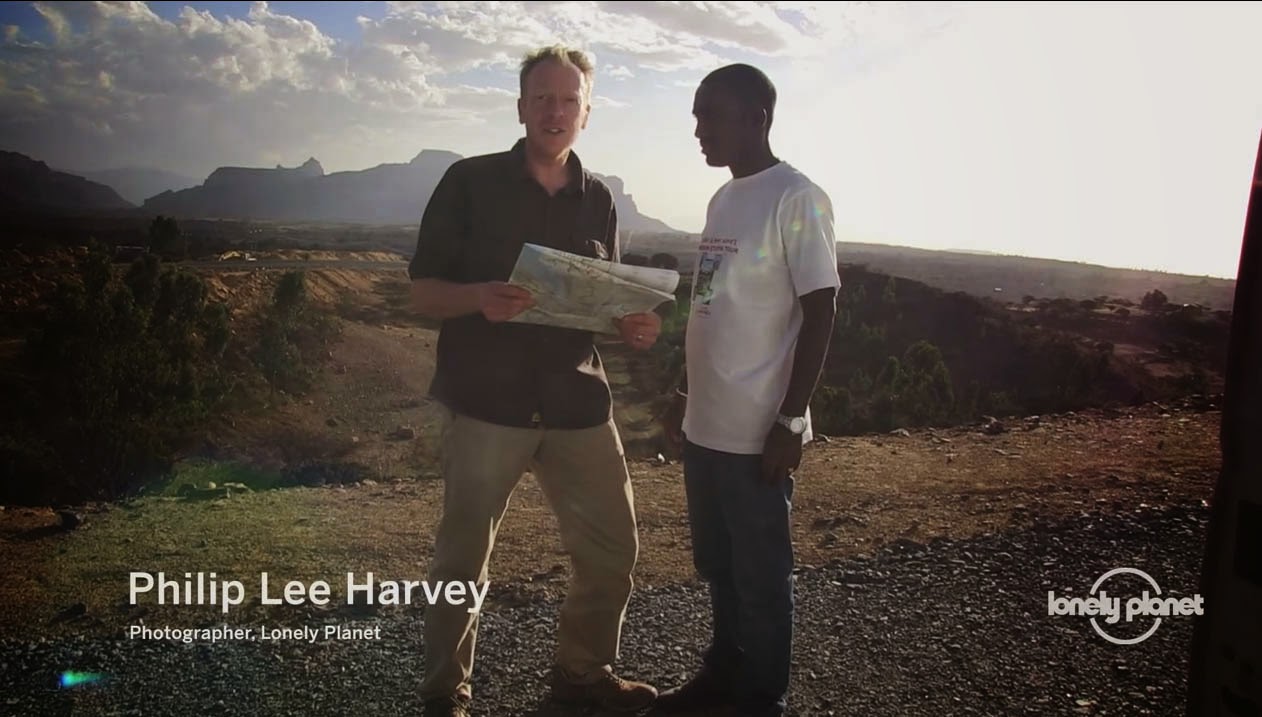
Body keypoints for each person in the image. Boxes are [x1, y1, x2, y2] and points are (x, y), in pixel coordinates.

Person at [408, 45, 662, 717]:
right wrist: (477, 299)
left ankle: (583, 675)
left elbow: (601, 301)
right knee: (463, 557)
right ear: (521, 107)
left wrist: (629, 327)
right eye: (542, 98)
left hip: (578, 401)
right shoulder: (469, 182)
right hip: (488, 401)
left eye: (568, 100)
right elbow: (422, 292)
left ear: (587, 112)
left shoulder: (600, 197)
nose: (555, 111)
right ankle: (444, 695)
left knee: (613, 548)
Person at [657, 64, 840, 717]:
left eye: (711, 114)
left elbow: (822, 308)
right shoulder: (722, 200)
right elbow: (708, 301)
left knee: (761, 574)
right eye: (696, 115)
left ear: (756, 119)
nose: (699, 130)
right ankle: (724, 673)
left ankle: (763, 699)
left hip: (757, 429)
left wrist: (791, 419)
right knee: (718, 562)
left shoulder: (797, 196)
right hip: (706, 424)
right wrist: (683, 389)